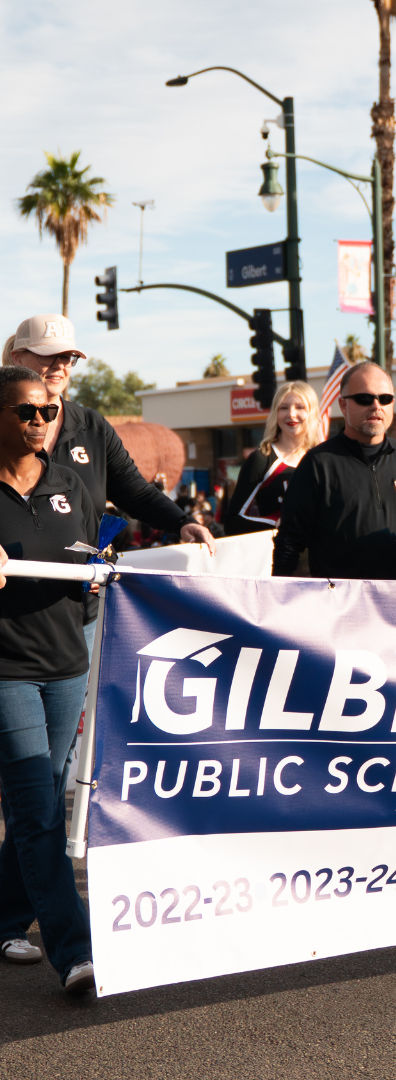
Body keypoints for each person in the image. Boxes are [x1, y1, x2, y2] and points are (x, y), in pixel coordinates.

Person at [7, 315, 215, 650]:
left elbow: (134, 490)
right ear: (17, 357)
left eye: (68, 357)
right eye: (48, 355)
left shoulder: (92, 427)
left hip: (81, 611)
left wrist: (182, 522)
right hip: (10, 613)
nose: (60, 365)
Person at [0, 366, 96, 994]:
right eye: (26, 411)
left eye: (49, 411)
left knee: (36, 803)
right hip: (6, 671)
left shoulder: (69, 482)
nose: (40, 421)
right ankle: (75, 951)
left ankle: (4, 918)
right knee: (39, 811)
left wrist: (99, 577)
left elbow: (89, 561)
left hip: (67, 667)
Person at [273, 362, 396, 578]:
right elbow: (290, 541)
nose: (376, 405)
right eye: (364, 398)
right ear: (343, 405)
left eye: (385, 398)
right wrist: (278, 592)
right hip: (338, 595)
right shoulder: (317, 463)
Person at [224, 381, 321, 535]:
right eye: (283, 408)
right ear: (275, 413)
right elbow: (232, 522)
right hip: (278, 549)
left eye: (300, 407)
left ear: (312, 412)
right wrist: (277, 524)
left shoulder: (322, 459)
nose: (291, 414)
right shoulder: (262, 459)